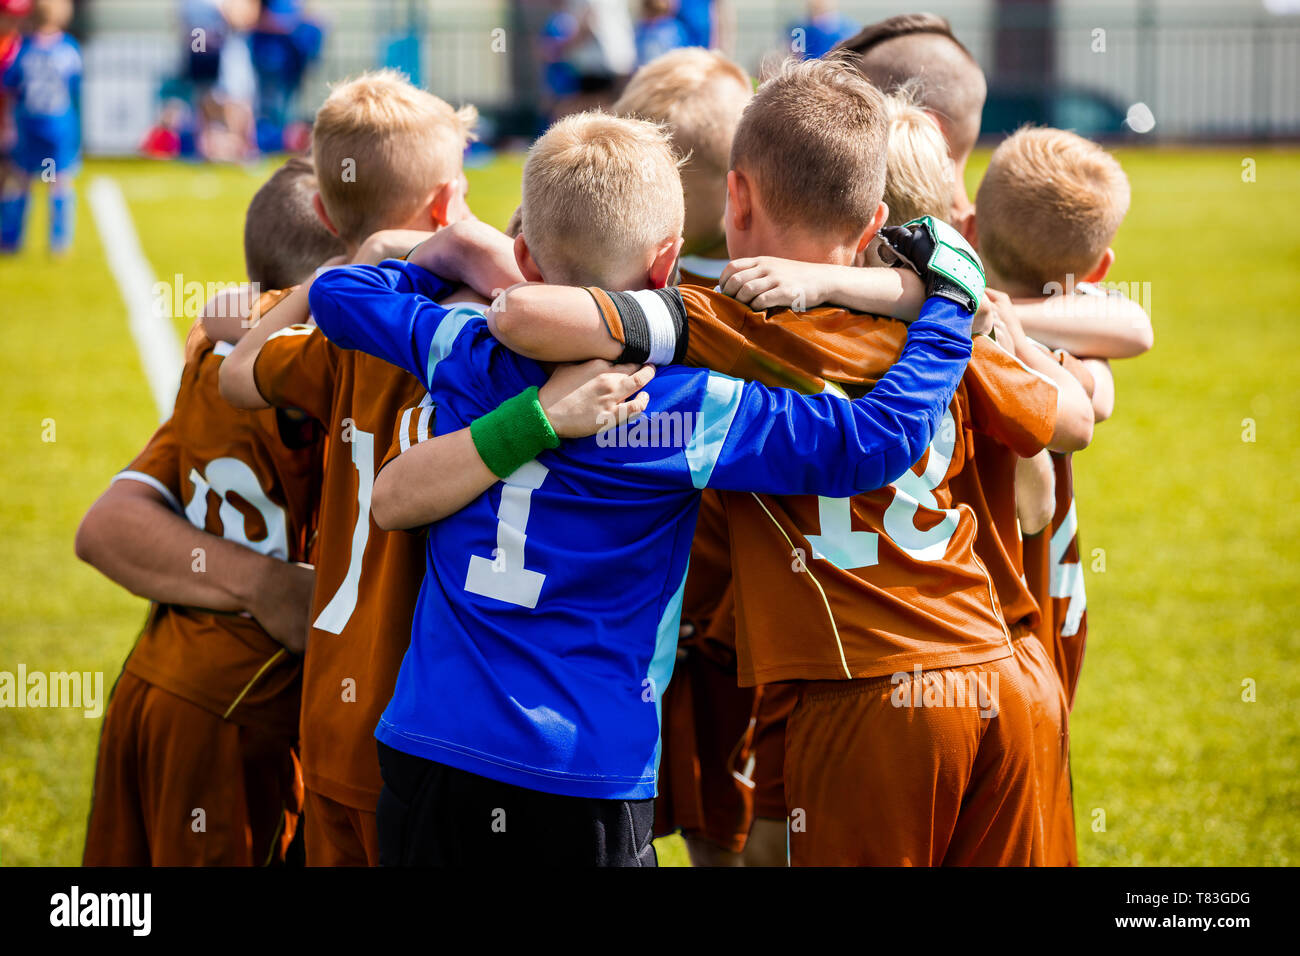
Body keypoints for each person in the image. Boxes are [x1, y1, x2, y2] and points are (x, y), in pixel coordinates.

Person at [302, 110, 981, 866]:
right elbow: (871, 444)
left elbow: (341, 295)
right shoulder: (683, 407)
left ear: (523, 252)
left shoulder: (463, 348)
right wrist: (948, 310)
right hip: (582, 768)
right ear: (667, 265)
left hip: (432, 747)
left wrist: (450, 251)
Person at [76, 158, 345, 866]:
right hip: (247, 701)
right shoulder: (323, 385)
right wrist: (268, 584)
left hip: (164, 683)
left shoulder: (210, 367)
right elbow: (105, 527)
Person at [1, 0, 78, 254]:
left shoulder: (25, 48)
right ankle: (59, 241)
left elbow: (10, 84)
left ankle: (12, 238)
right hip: (58, 124)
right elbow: (75, 86)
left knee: (22, 180)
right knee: (60, 181)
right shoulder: (68, 48)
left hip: (29, 123)